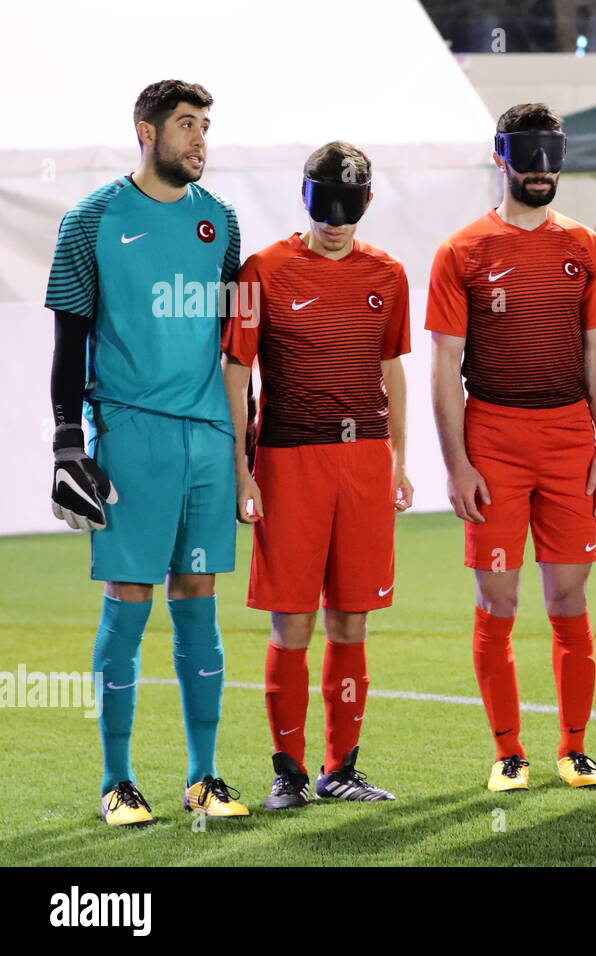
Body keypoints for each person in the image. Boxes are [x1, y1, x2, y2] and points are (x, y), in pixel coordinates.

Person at [46, 80, 248, 826]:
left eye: (205, 127)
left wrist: (245, 447)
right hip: (130, 438)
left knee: (199, 603)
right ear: (146, 130)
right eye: (187, 125)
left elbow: (237, 348)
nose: (200, 140)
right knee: (128, 603)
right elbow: (68, 341)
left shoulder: (221, 223)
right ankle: (117, 782)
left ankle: (205, 777)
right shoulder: (90, 220)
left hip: (208, 440)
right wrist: (69, 443)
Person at [427, 103, 596, 793]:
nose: (541, 170)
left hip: (570, 436)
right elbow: (445, 367)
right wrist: (456, 463)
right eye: (528, 156)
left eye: (551, 156)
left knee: (569, 597)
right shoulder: (462, 251)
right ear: (502, 156)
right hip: (494, 438)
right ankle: (508, 753)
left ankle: (574, 749)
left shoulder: (584, 246)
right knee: (499, 600)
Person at [223, 141, 411, 808]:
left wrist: (400, 458)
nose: (335, 220)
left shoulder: (388, 274)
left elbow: (392, 369)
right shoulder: (262, 270)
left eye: (348, 206)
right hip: (287, 462)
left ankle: (342, 769)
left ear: (366, 203)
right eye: (324, 204)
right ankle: (289, 774)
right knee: (292, 624)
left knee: (353, 622)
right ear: (304, 198)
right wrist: (241, 468)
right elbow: (237, 368)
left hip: (364, 461)